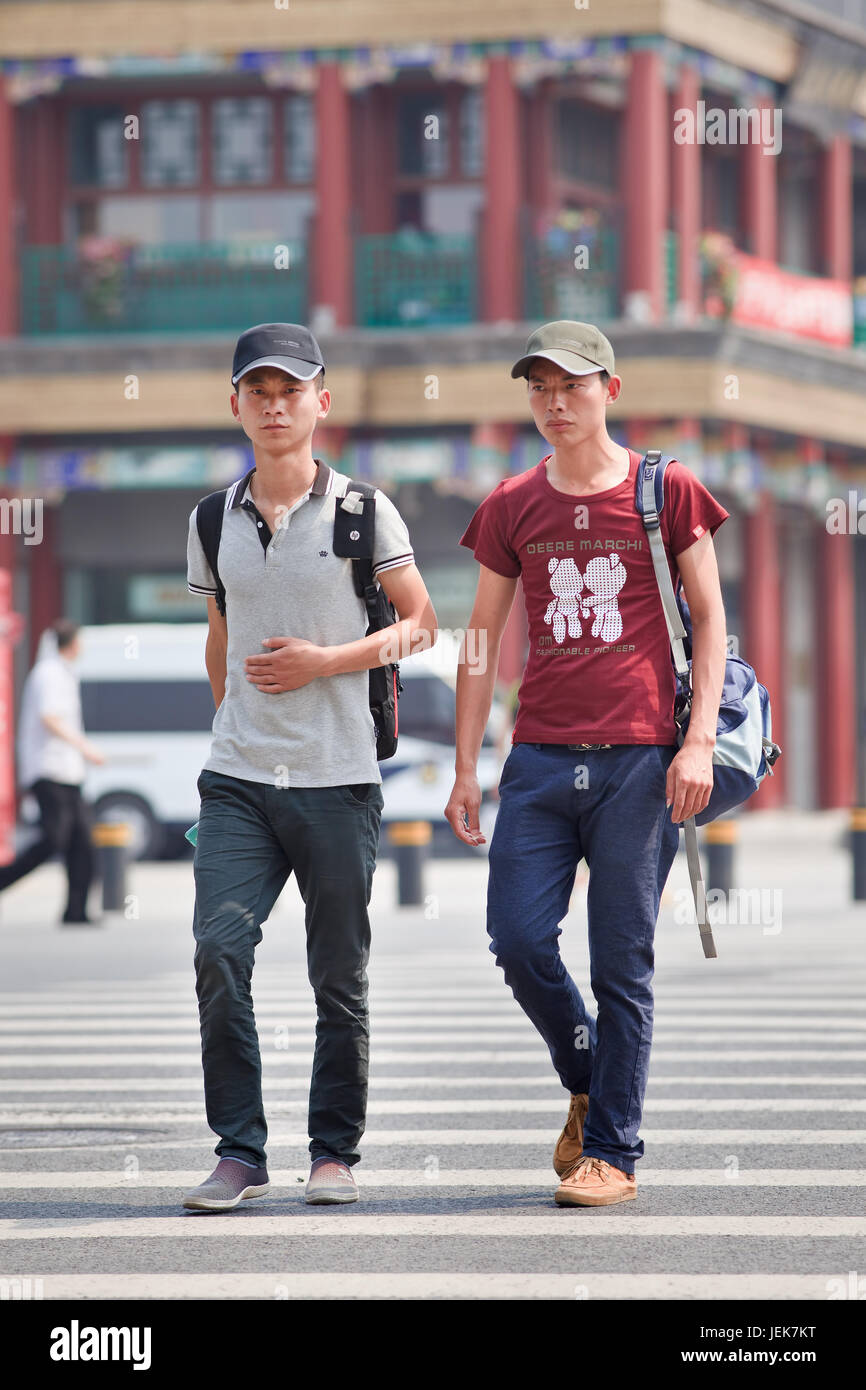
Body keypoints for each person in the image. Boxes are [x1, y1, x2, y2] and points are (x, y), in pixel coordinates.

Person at [445, 321, 729, 1207]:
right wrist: (465, 765)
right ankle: (588, 1071)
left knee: (622, 962)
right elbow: (481, 640)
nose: (553, 402)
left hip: (641, 761)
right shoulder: (511, 503)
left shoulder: (666, 489)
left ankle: (613, 1152)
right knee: (519, 938)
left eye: (570, 385)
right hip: (536, 760)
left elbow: (712, 620)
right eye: (538, 387)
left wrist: (698, 740)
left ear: (611, 387)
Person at [183, 322, 436, 1212]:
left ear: (321, 402)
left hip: (337, 777)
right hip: (241, 778)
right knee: (219, 948)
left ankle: (334, 1152)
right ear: (237, 406)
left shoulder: (367, 511)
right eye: (259, 391)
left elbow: (420, 623)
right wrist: (231, 725)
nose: (276, 405)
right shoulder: (212, 518)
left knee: (338, 972)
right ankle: (239, 1152)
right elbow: (220, 635)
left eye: (292, 390)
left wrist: (325, 663)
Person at [0, 618, 104, 924]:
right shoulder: (48, 674)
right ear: (71, 643)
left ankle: (76, 911)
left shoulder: (63, 673)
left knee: (83, 842)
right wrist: (86, 748)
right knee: (54, 839)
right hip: (49, 771)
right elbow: (50, 718)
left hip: (69, 773)